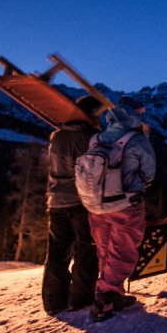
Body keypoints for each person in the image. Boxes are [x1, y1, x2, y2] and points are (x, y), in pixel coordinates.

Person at [87, 96, 156, 321]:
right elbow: (149, 173)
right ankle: (105, 300)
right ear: (135, 114)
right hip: (125, 203)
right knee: (123, 250)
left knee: (104, 249)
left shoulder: (97, 138)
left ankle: (111, 292)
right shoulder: (137, 140)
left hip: (96, 204)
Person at [42, 95, 101, 315]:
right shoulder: (89, 137)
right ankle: (81, 298)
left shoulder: (57, 136)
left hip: (56, 201)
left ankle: (53, 302)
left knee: (57, 252)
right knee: (85, 251)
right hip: (80, 201)